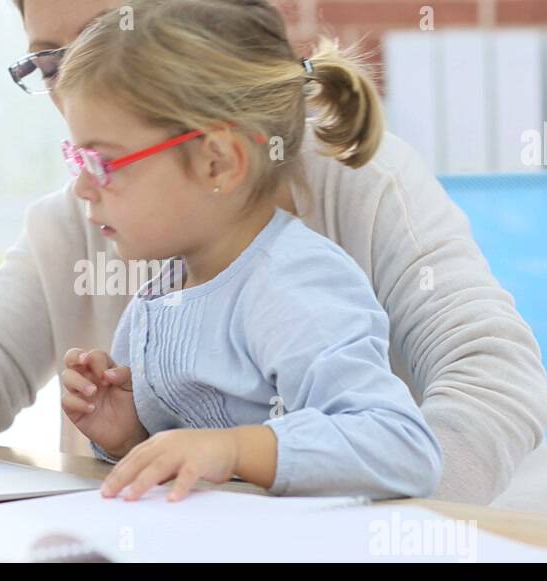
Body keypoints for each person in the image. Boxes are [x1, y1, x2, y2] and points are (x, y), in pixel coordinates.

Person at [0, 0, 547, 515]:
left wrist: (367, 515)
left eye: (103, 42)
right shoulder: (106, 220)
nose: (74, 82)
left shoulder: (353, 197)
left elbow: (487, 382)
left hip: (483, 548)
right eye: (49, 60)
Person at [54, 0, 442, 502]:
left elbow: (403, 448)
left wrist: (233, 449)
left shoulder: (294, 282)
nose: (83, 186)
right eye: (75, 158)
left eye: (102, 161)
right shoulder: (159, 299)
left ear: (218, 162)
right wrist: (129, 435)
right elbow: (202, 475)